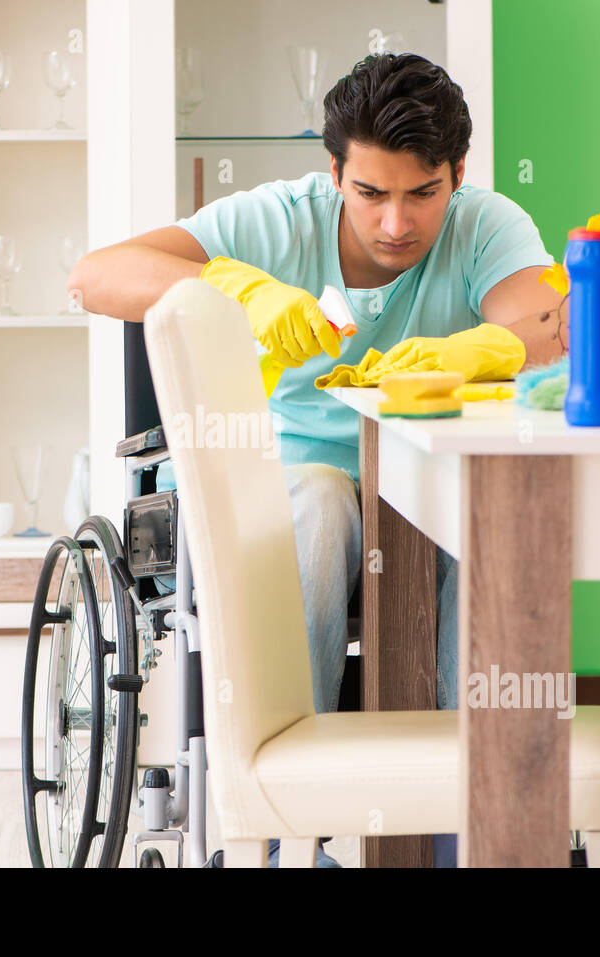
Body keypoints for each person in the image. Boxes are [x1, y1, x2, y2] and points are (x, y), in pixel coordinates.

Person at [68, 52, 568, 867]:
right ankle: (282, 827)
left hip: (420, 489)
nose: (396, 224)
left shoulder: (487, 224)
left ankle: (468, 825)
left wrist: (481, 348)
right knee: (324, 500)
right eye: (370, 193)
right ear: (333, 171)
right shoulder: (277, 221)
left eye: (422, 193)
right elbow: (94, 276)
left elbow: (544, 325)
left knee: (480, 519)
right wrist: (237, 290)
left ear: (458, 173)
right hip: (290, 494)